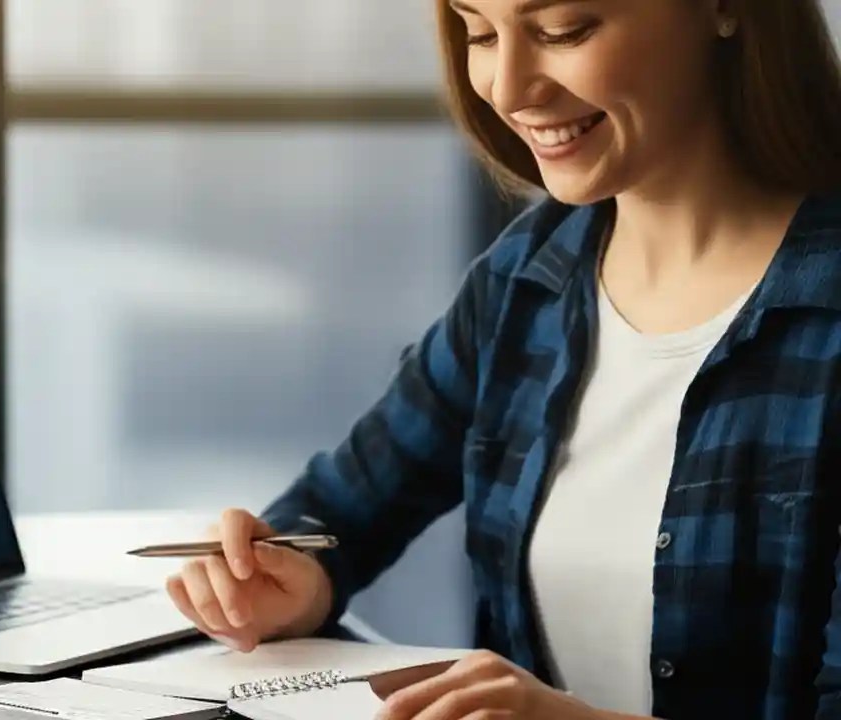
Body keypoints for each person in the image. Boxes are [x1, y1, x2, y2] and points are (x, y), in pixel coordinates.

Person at [164, 1, 841, 719]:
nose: (508, 88)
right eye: (480, 34)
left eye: (563, 31)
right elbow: (341, 510)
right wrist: (288, 574)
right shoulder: (524, 280)